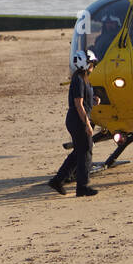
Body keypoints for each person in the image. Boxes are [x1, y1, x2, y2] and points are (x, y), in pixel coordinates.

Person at [48, 49, 99, 197]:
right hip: (77, 120)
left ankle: (57, 180)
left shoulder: (83, 78)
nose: (93, 66)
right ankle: (82, 187)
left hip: (77, 119)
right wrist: (87, 125)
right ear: (84, 63)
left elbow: (84, 101)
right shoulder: (78, 79)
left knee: (79, 152)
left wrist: (94, 100)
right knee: (86, 151)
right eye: (91, 64)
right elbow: (78, 104)